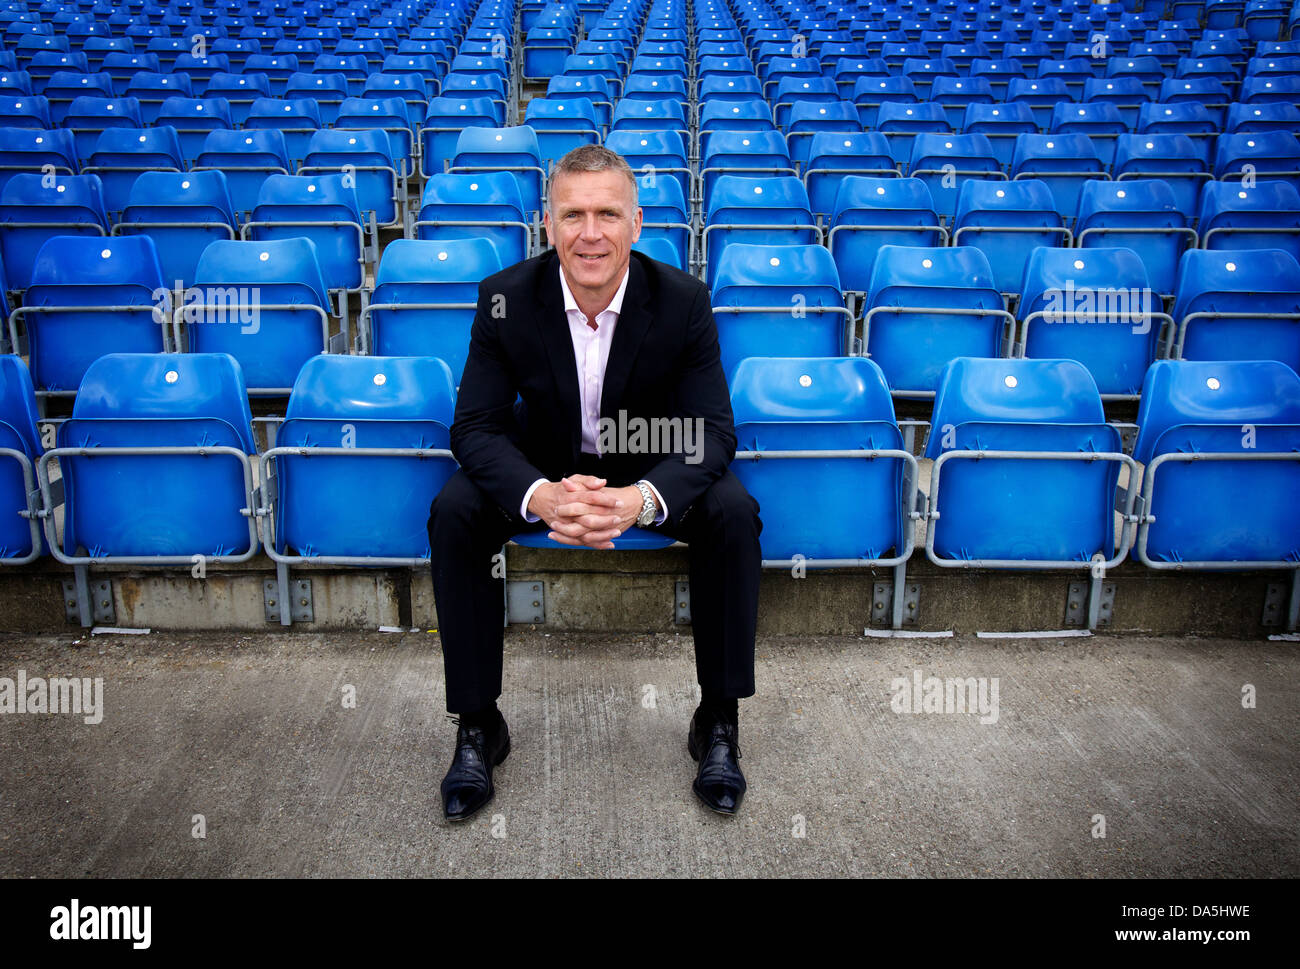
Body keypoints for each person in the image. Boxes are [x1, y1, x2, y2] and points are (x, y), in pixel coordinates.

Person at [427, 144, 761, 821]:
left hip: (647, 464)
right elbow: (476, 428)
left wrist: (640, 500)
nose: (590, 233)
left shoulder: (684, 300)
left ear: (636, 222)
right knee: (455, 507)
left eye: (607, 213)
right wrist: (543, 495)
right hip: (545, 466)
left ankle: (718, 719)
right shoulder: (503, 299)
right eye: (572, 214)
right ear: (547, 224)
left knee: (732, 509)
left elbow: (713, 431)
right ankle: (477, 723)